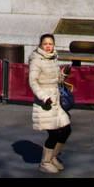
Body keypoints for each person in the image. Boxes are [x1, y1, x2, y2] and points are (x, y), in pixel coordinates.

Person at [28, 33, 72, 173]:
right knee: (53, 134)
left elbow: (57, 80)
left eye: (50, 44)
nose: (48, 46)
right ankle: (45, 162)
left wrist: (64, 74)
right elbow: (32, 82)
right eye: (45, 44)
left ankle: (53, 156)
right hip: (45, 103)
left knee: (66, 129)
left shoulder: (53, 57)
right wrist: (43, 97)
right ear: (41, 44)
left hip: (56, 101)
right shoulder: (36, 60)